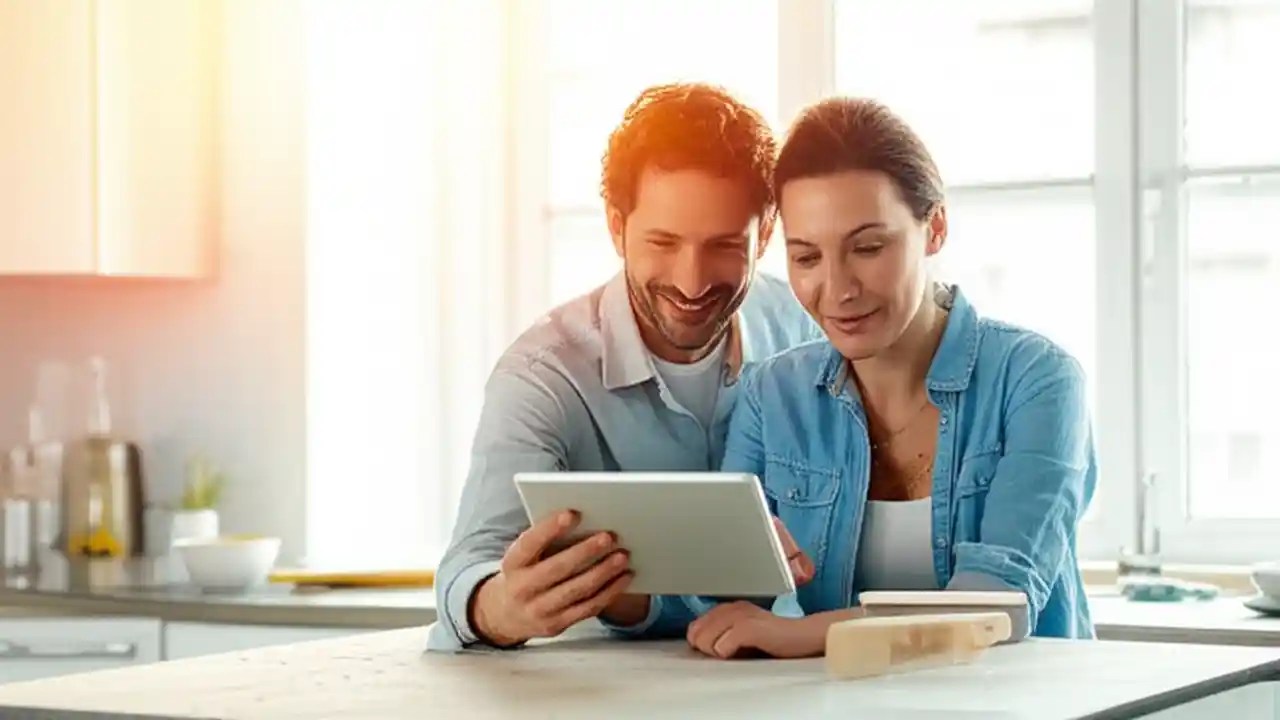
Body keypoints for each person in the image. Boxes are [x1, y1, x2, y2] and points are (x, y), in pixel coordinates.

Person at [681, 97, 1097, 660]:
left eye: (869, 248)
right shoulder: (772, 395)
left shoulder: (1037, 381)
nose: (838, 289)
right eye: (806, 258)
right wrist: (729, 561)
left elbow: (997, 604)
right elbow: (719, 603)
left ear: (935, 229)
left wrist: (805, 633)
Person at [426, 82, 822, 652]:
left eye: (724, 245)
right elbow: (468, 565)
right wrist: (500, 609)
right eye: (662, 242)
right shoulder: (544, 373)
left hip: (787, 675)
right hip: (599, 687)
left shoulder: (807, 332)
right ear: (616, 226)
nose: (691, 281)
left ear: (765, 232)